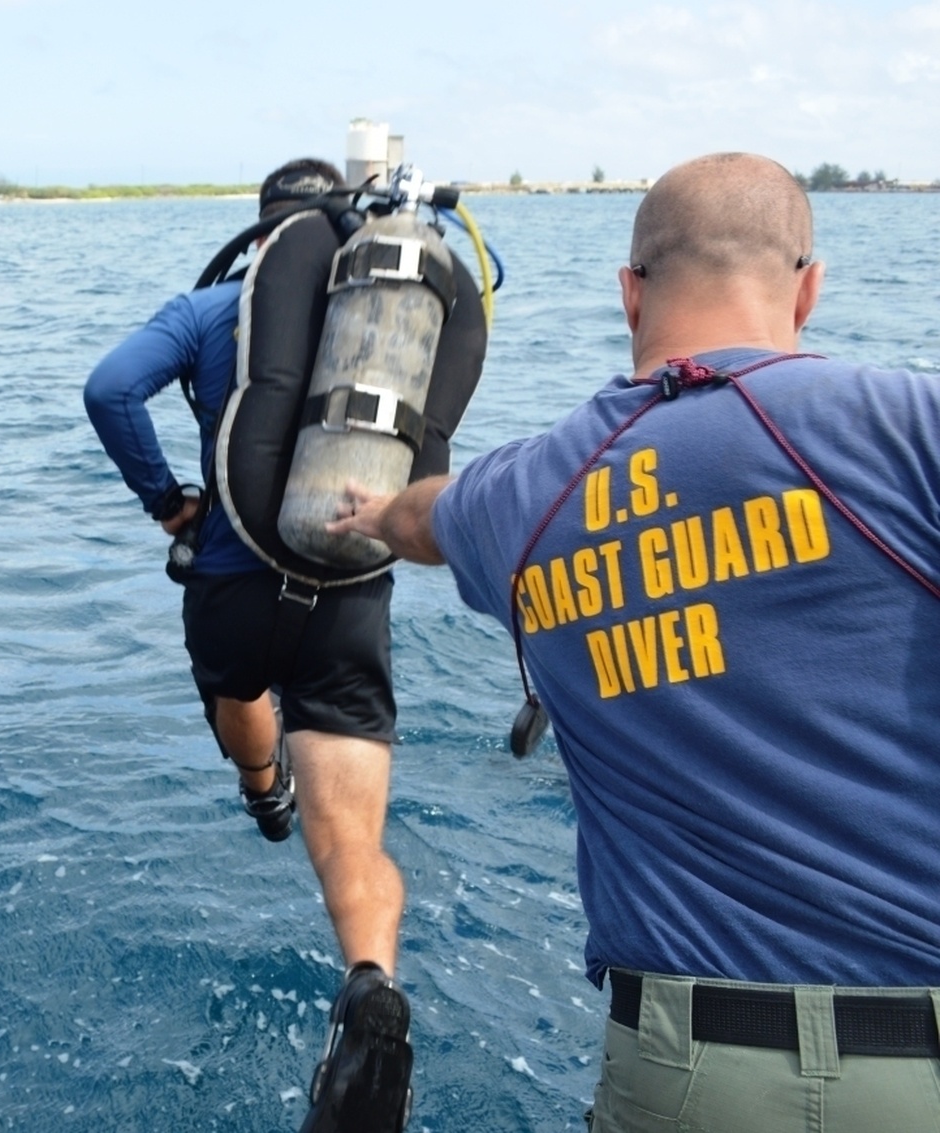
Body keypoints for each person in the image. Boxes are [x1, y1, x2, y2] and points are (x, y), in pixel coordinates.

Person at [327, 152, 940, 1132]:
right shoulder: (912, 428)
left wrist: (365, 510)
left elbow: (421, 519)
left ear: (627, 291)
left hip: (684, 1071)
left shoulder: (528, 493)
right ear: (809, 287)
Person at [84, 156, 487, 1132]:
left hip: (230, 581)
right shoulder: (386, 315)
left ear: (262, 232)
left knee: (236, 688)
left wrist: (168, 500)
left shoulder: (211, 306)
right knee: (352, 840)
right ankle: (372, 986)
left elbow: (109, 389)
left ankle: (264, 788)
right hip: (350, 590)